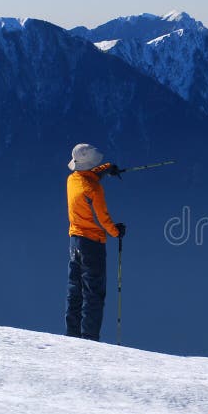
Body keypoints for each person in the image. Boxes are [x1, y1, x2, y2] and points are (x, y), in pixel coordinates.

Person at [65, 143, 125, 341]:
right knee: (93, 293)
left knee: (76, 290)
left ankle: (72, 334)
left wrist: (106, 169)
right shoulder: (94, 190)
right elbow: (103, 219)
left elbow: (88, 174)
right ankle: (89, 339)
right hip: (92, 245)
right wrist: (117, 232)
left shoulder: (72, 180)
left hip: (75, 242)